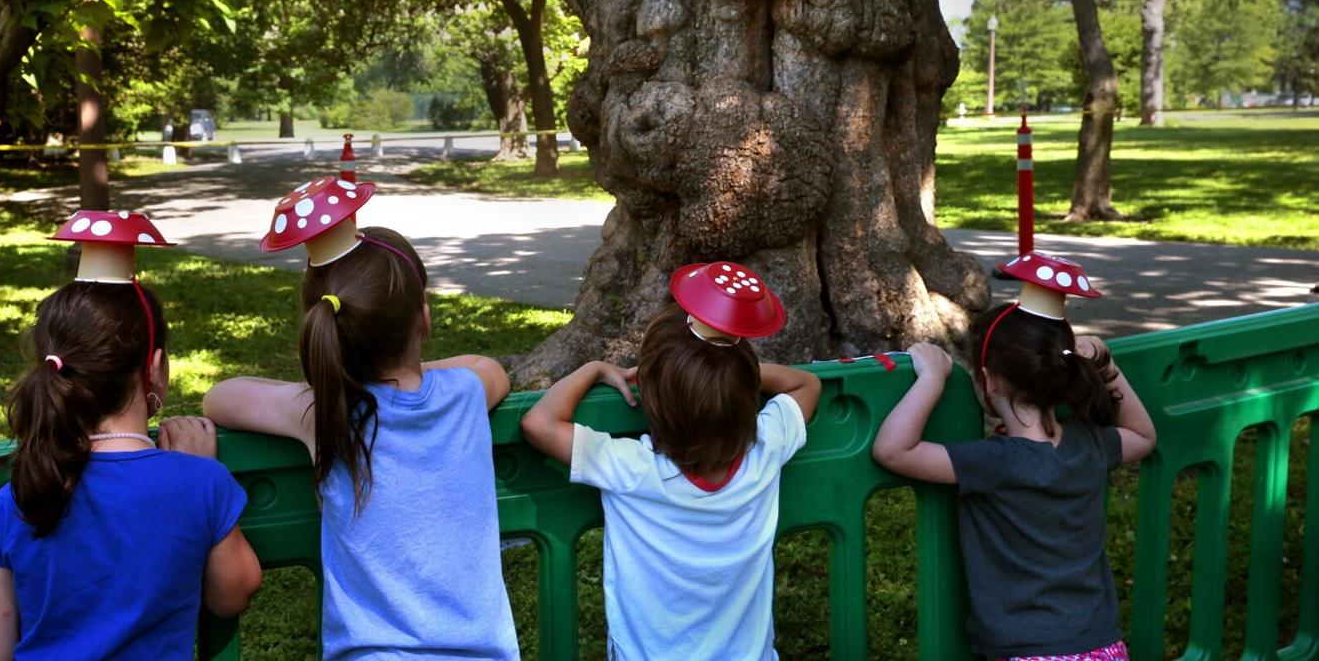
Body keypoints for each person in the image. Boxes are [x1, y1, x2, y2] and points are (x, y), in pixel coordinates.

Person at [203, 225, 519, 660]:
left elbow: (220, 398)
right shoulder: (464, 393)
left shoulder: (323, 412)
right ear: (422, 319)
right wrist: (417, 373)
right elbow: (490, 367)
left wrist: (339, 382)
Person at [0, 211, 261, 661]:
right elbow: (233, 594)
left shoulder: (22, 496)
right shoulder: (201, 483)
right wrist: (205, 467)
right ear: (156, 369)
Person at [521, 261, 823, 661]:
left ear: (650, 395)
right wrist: (724, 364)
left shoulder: (632, 469)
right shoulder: (767, 446)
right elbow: (807, 383)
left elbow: (539, 423)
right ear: (746, 387)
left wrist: (594, 368)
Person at [871, 251, 1158, 661]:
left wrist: (931, 380)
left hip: (1028, 652)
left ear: (988, 381)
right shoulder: (1089, 444)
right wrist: (1108, 367)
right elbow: (1143, 436)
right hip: (1102, 646)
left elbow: (893, 450)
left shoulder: (994, 462)